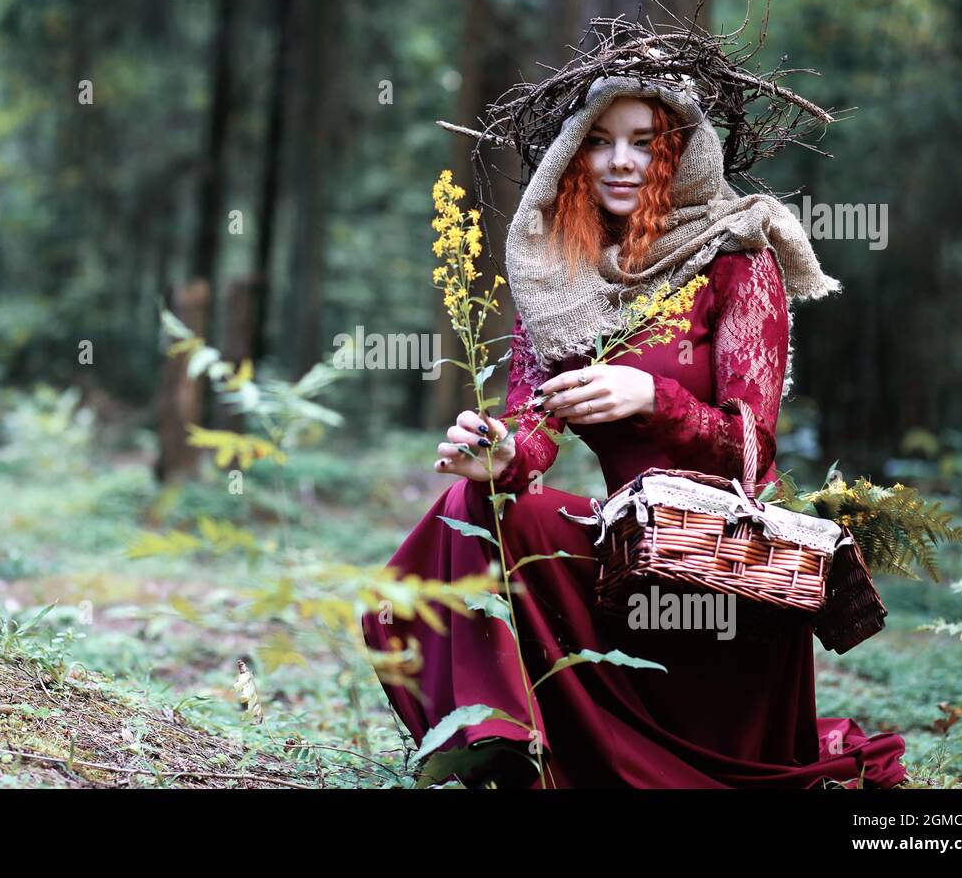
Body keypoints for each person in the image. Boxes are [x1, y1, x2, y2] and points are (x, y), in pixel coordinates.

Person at [360, 74, 909, 789]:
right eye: (599, 141)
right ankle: (498, 740)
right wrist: (497, 450)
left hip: (720, 574)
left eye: (644, 142)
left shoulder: (739, 256)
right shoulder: (562, 282)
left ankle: (598, 742)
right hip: (625, 559)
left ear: (680, 155)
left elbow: (752, 454)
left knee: (498, 521)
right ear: (572, 158)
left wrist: (653, 396)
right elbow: (535, 428)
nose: (621, 161)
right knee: (480, 511)